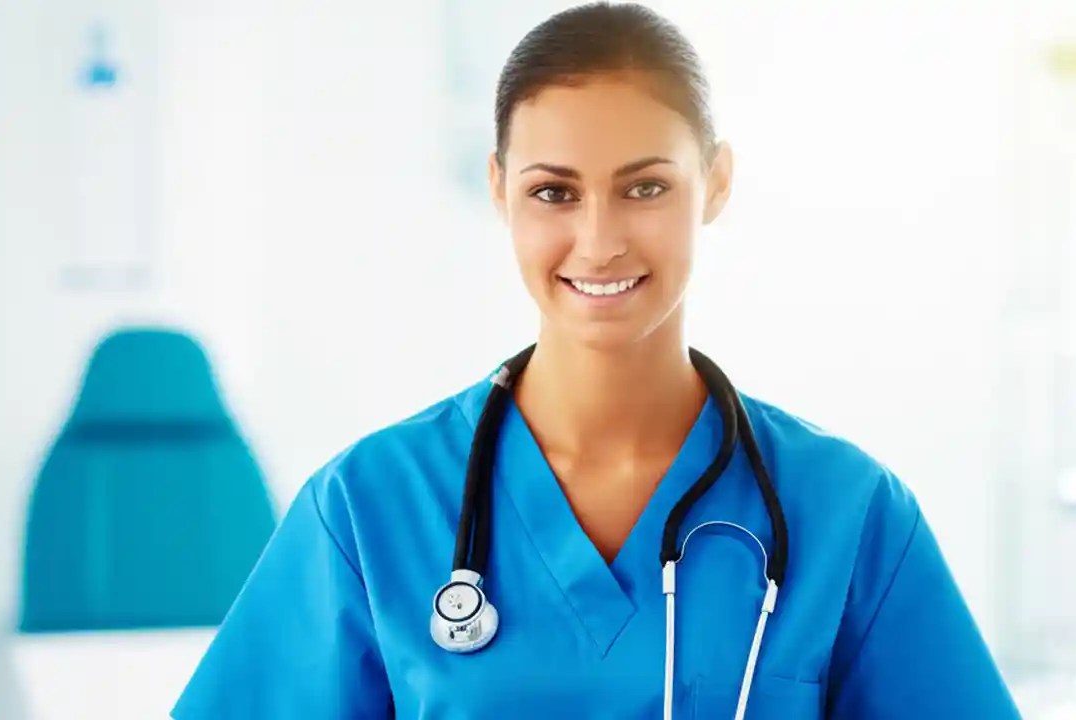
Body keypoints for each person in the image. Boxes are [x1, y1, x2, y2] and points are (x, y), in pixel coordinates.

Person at [171, 3, 1020, 718]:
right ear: (499, 188)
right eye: (554, 192)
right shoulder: (371, 509)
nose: (601, 239)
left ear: (716, 182)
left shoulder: (844, 512)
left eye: (646, 187)